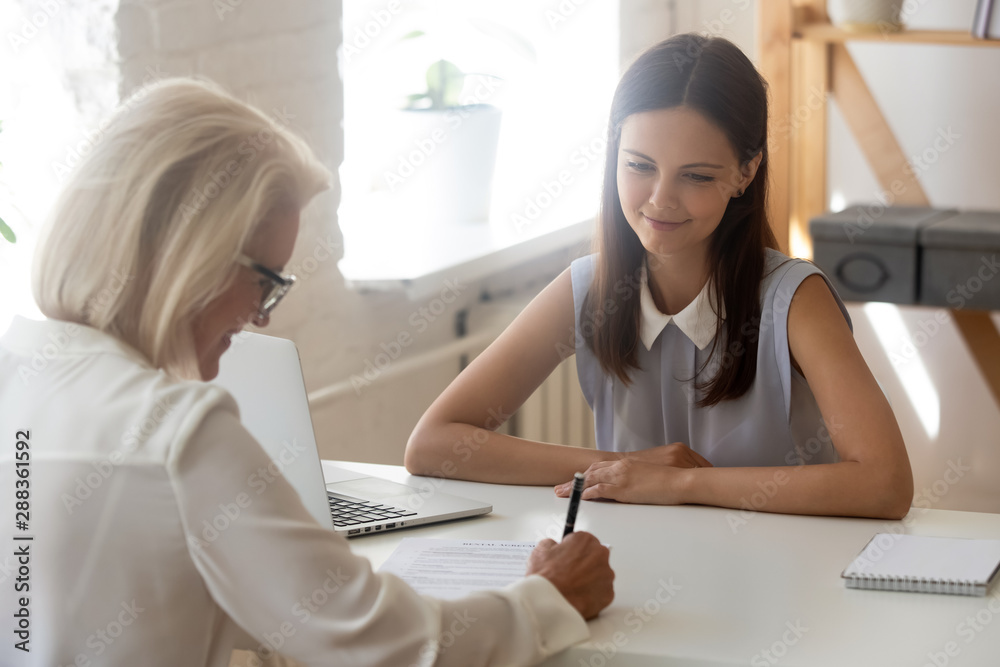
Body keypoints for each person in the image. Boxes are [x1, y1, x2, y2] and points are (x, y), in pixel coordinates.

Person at [0, 78, 613, 667]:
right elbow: (390, 647)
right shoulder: (176, 433)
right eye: (266, 281)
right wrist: (547, 600)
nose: (262, 318)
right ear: (191, 253)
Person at [405, 34, 914, 520]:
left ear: (746, 171)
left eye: (696, 176)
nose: (660, 200)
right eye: (639, 165)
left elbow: (886, 483)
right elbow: (432, 444)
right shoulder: (587, 288)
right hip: (638, 570)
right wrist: (626, 468)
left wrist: (681, 484)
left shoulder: (794, 299)